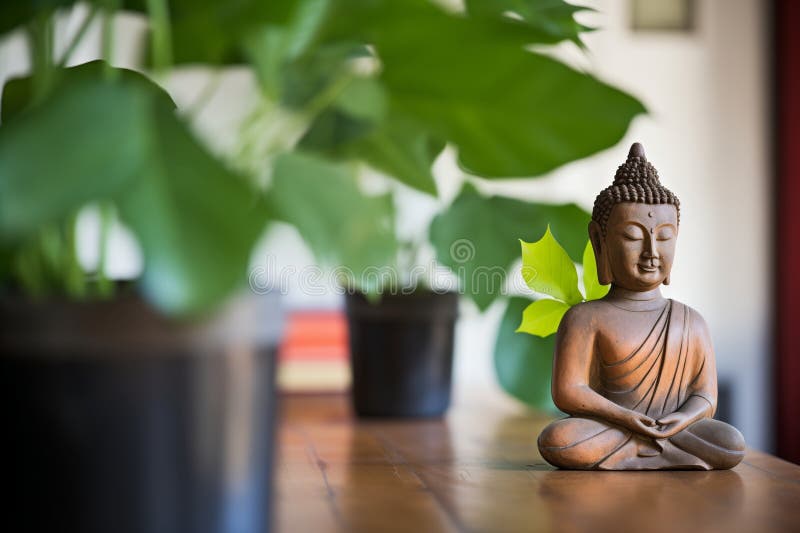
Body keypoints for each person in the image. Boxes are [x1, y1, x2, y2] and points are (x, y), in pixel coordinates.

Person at [537, 143, 745, 470]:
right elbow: (568, 391)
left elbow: (706, 397)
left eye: (664, 237)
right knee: (557, 440)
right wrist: (626, 418)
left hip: (675, 432)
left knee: (732, 444)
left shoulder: (691, 321)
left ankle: (635, 454)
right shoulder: (585, 318)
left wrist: (680, 419)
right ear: (599, 242)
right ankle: (653, 453)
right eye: (633, 237)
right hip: (613, 428)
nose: (651, 251)